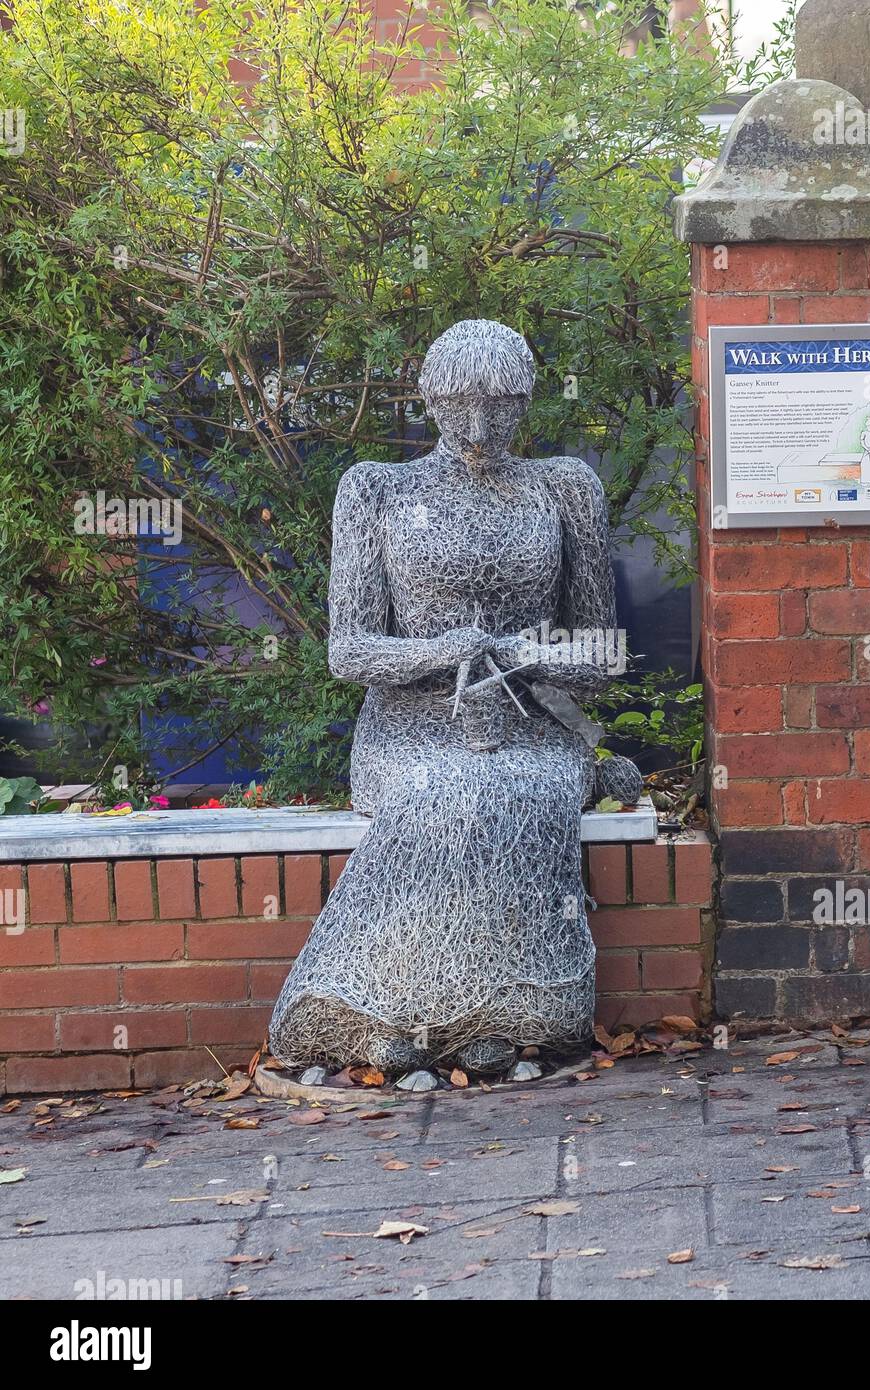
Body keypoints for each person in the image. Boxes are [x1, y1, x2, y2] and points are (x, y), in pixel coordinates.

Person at [270, 320, 626, 1081]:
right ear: (428, 397)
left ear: (525, 401)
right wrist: (448, 650)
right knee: (450, 791)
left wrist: (526, 657)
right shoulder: (378, 489)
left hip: (535, 726)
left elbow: (602, 656)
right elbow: (350, 651)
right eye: (459, 405)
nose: (476, 427)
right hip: (409, 727)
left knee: (512, 792)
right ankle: (366, 1007)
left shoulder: (564, 489)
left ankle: (501, 1013)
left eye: (499, 406)